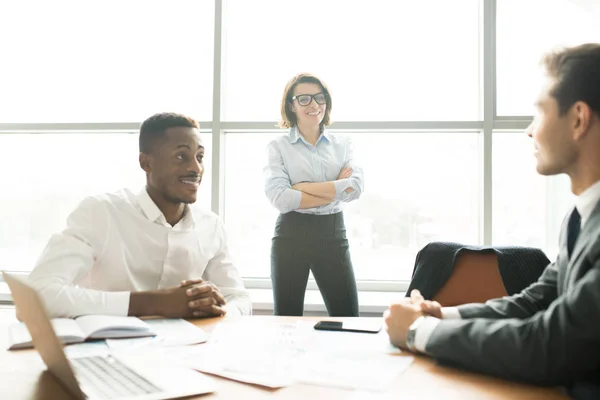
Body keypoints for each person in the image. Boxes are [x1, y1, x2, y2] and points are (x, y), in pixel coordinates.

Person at [384, 43, 600, 399]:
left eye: (539, 113)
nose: (530, 131)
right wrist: (441, 316)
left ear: (577, 119)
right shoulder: (581, 218)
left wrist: (418, 333)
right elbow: (533, 302)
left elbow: (551, 345)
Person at [28, 112, 251, 318]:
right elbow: (37, 295)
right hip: (106, 354)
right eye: (181, 156)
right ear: (146, 162)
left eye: (200, 157)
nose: (196, 168)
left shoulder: (210, 226)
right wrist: (154, 303)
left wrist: (217, 311)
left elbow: (238, 298)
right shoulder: (100, 213)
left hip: (186, 355)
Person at [264, 73, 364, 316]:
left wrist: (301, 187)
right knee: (286, 322)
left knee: (348, 317)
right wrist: (335, 187)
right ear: (291, 104)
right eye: (304, 99)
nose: (314, 105)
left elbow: (355, 188)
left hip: (332, 232)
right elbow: (281, 199)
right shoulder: (278, 146)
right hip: (291, 234)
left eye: (319, 98)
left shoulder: (343, 143)